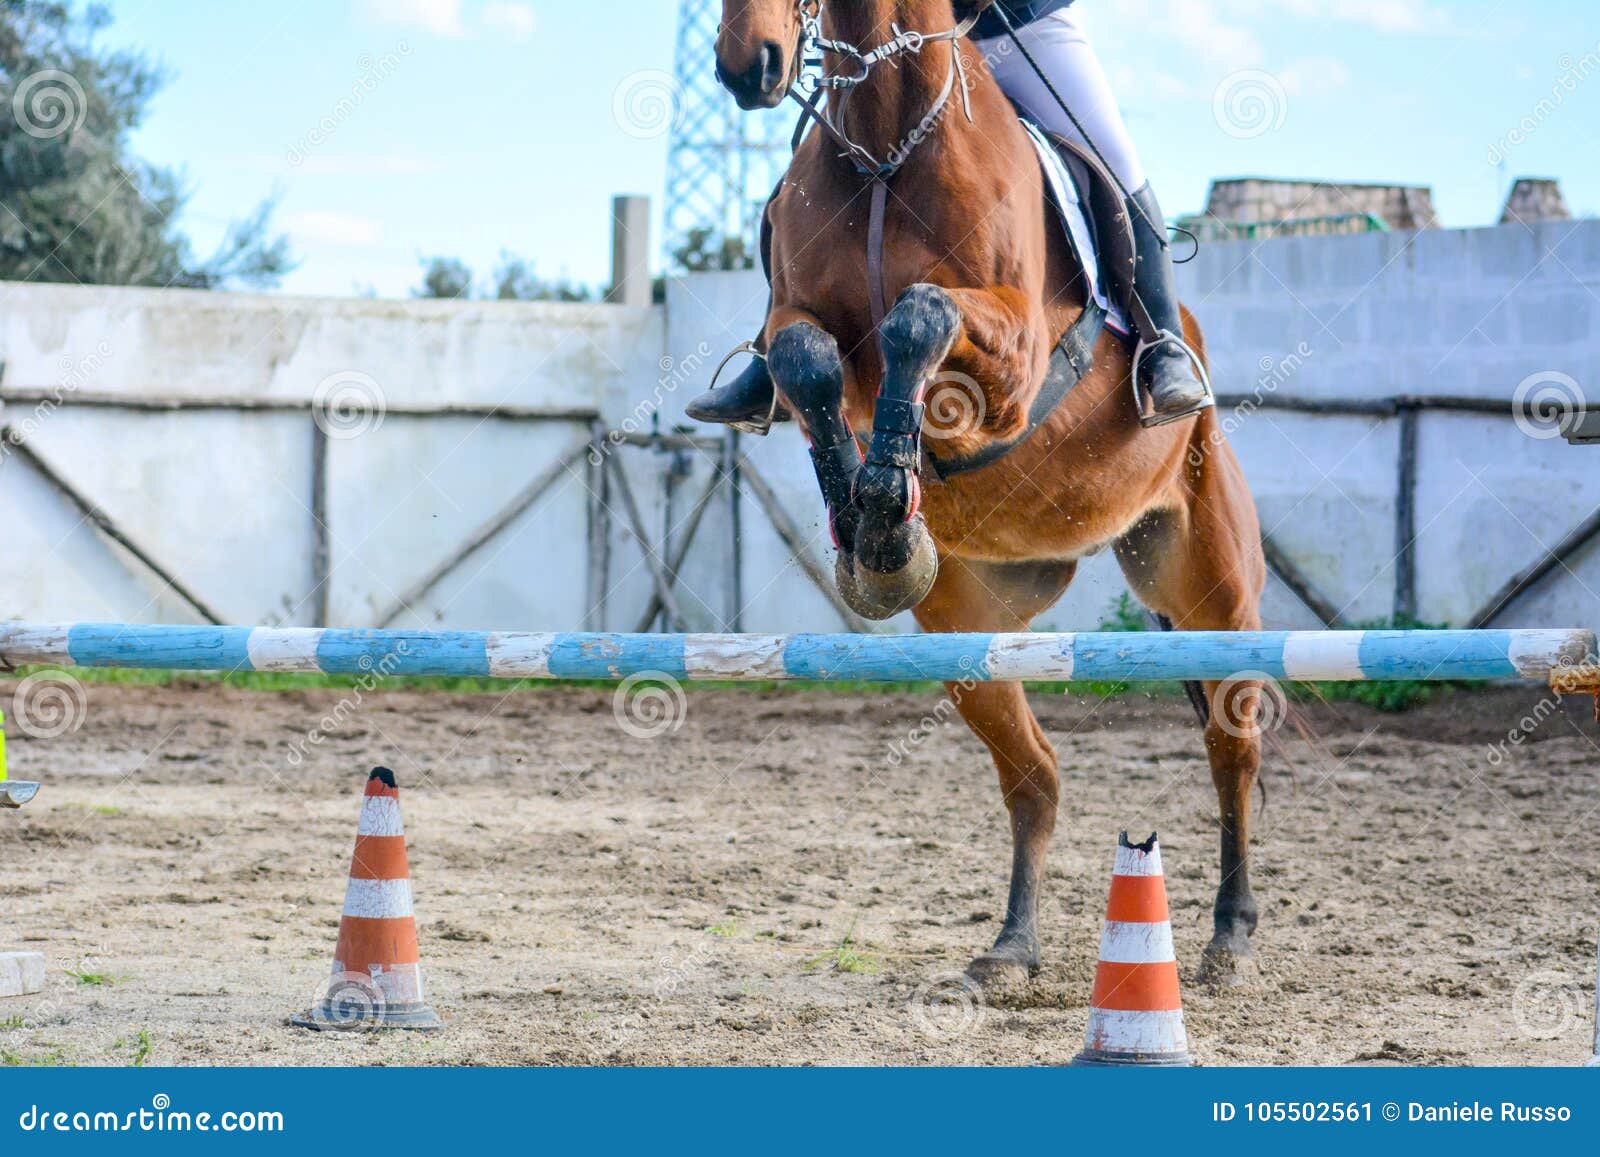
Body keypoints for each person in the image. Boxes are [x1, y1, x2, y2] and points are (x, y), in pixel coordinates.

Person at [686, 0, 1210, 432]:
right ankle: (772, 356)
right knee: (805, 178)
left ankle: (1163, 343)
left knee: (1111, 159)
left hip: (1018, 27)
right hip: (901, 37)